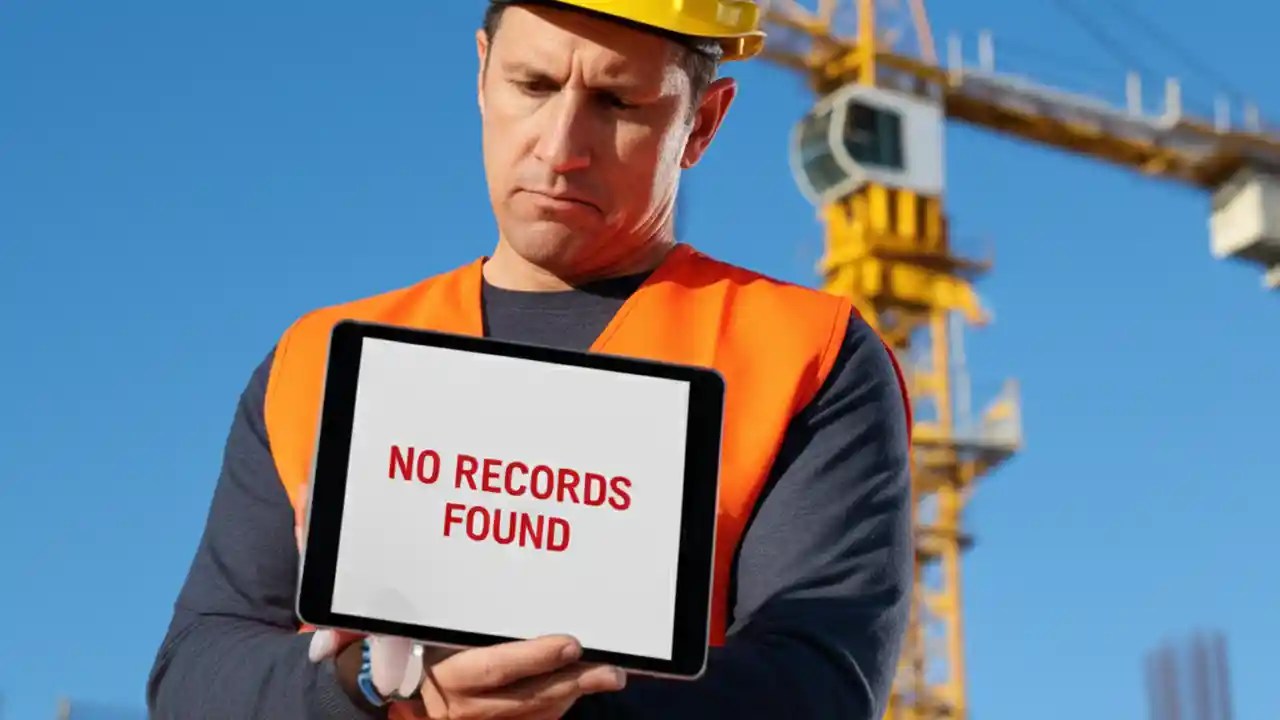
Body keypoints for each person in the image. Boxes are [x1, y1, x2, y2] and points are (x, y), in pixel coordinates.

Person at [146, 0, 914, 718]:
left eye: (617, 102)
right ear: (482, 75)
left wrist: (526, 694)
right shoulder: (312, 362)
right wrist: (372, 680)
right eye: (533, 84)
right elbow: (195, 675)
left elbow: (817, 688)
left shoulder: (806, 357)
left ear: (703, 123)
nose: (560, 148)